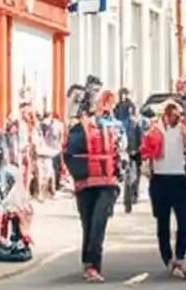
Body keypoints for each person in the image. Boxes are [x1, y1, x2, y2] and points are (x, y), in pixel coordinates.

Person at [63, 102, 120, 283]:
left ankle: (93, 265)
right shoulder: (77, 132)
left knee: (97, 224)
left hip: (107, 184)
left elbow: (119, 153)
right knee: (88, 225)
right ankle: (89, 264)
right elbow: (68, 155)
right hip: (85, 184)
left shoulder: (111, 127)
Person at [141, 100, 186, 280]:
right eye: (173, 114)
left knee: (185, 221)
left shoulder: (182, 129)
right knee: (162, 222)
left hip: (179, 178)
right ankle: (168, 258)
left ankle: (179, 257)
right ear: (165, 114)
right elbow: (146, 151)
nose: (176, 118)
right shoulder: (154, 129)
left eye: (178, 114)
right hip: (160, 179)